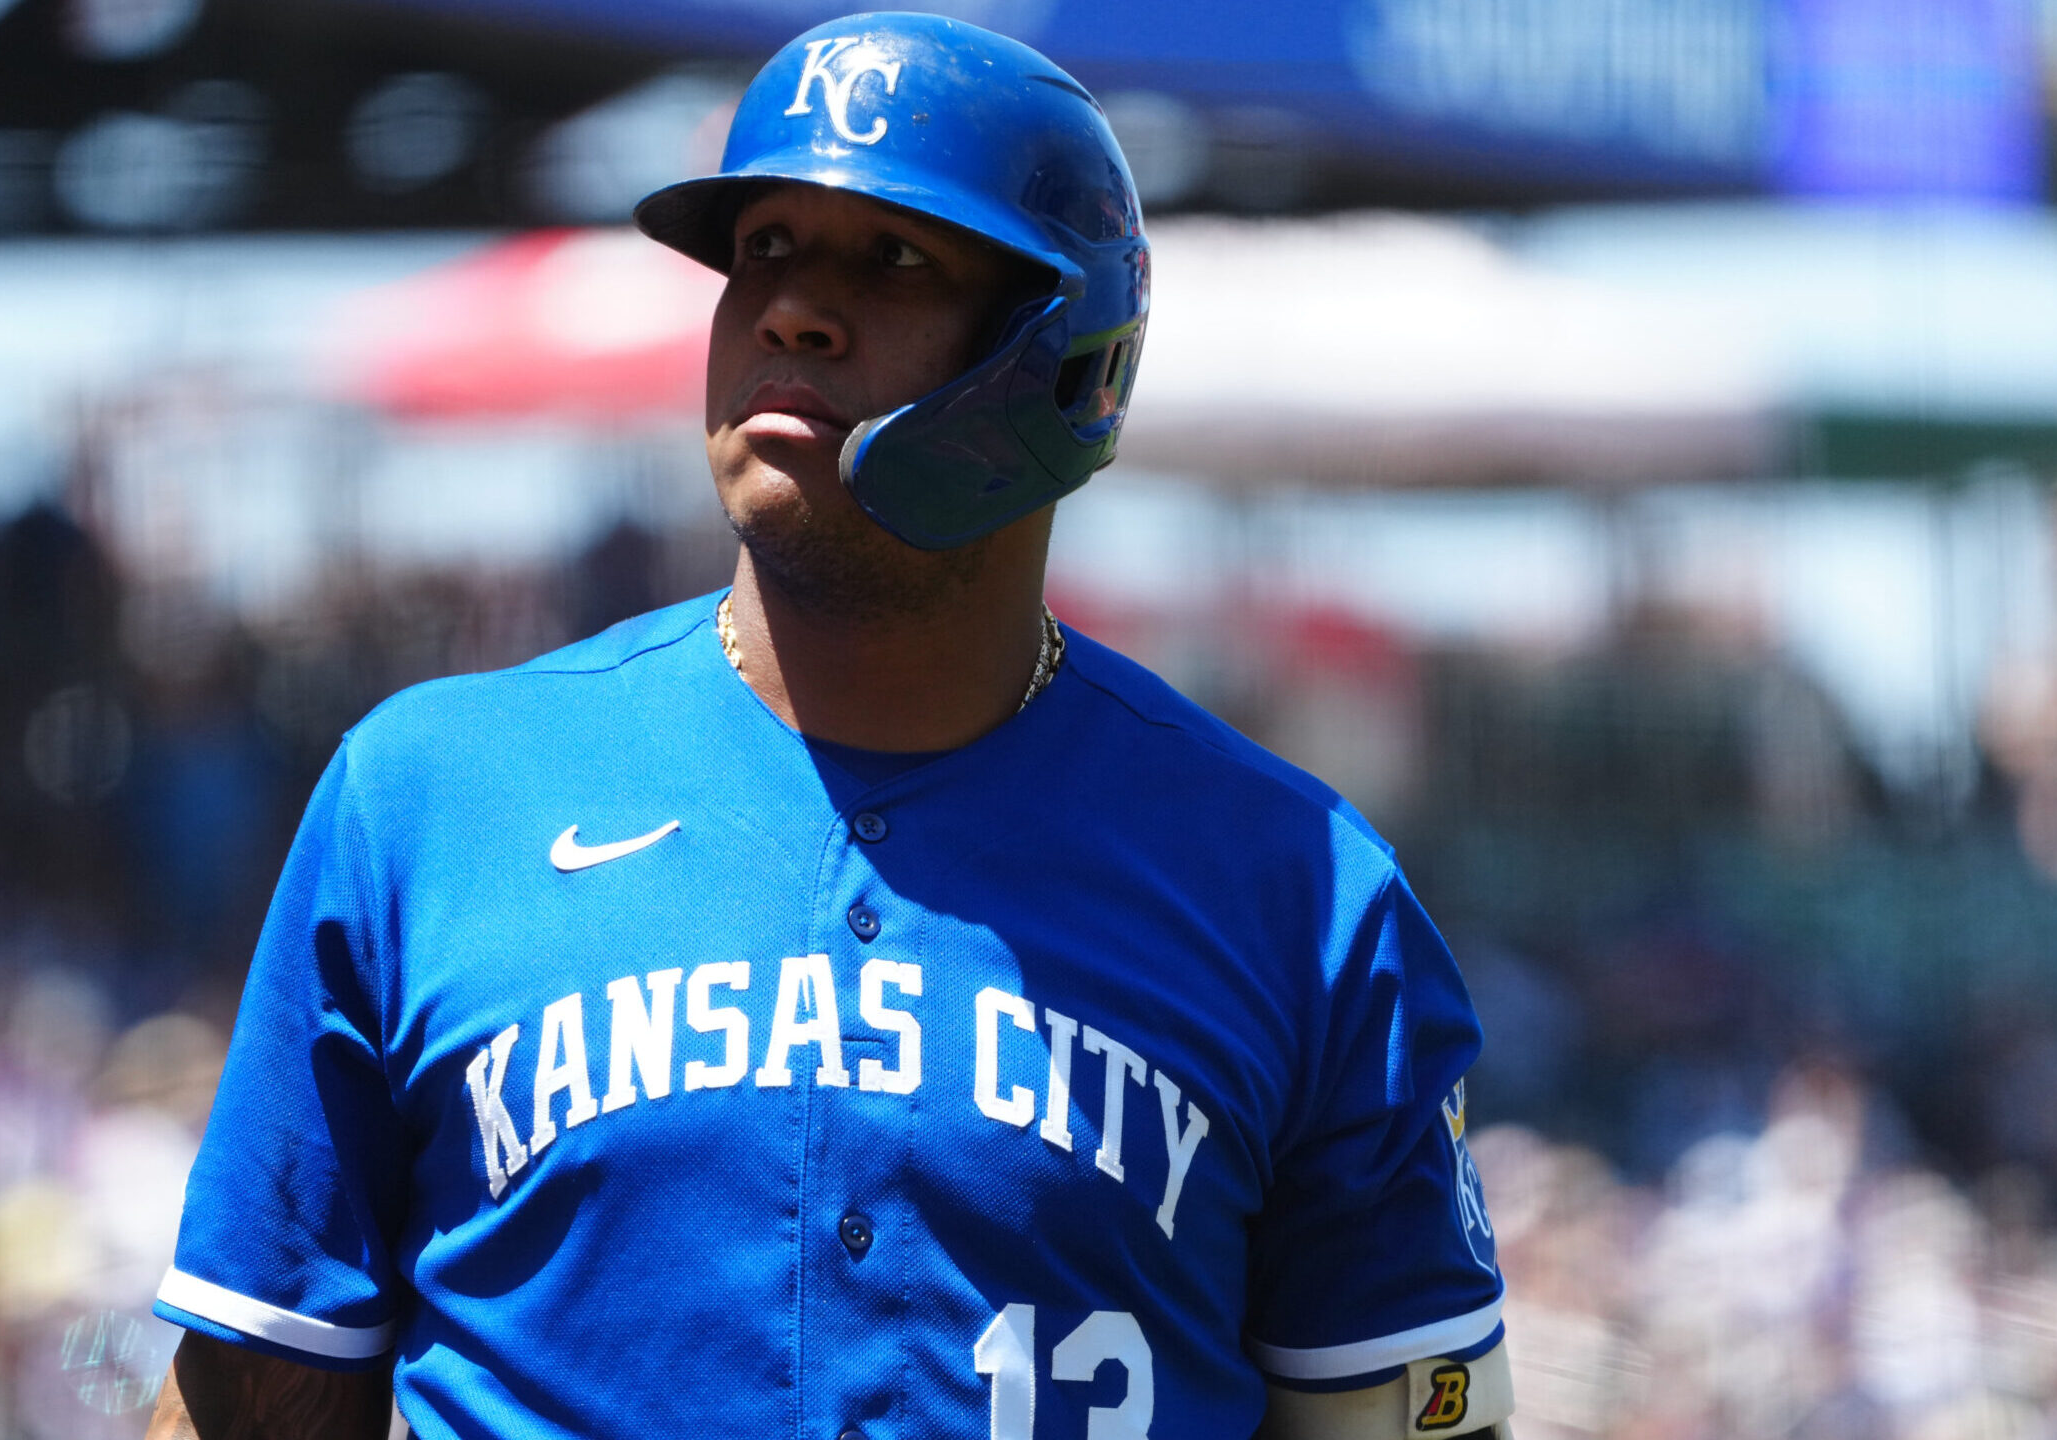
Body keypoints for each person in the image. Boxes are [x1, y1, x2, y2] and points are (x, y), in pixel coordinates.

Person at [144, 13, 1512, 1440]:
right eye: (766, 254)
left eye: (895, 258)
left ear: (1065, 356)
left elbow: (1423, 1418)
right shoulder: (426, 797)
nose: (794, 311)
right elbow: (244, 1398)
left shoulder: (1303, 893)